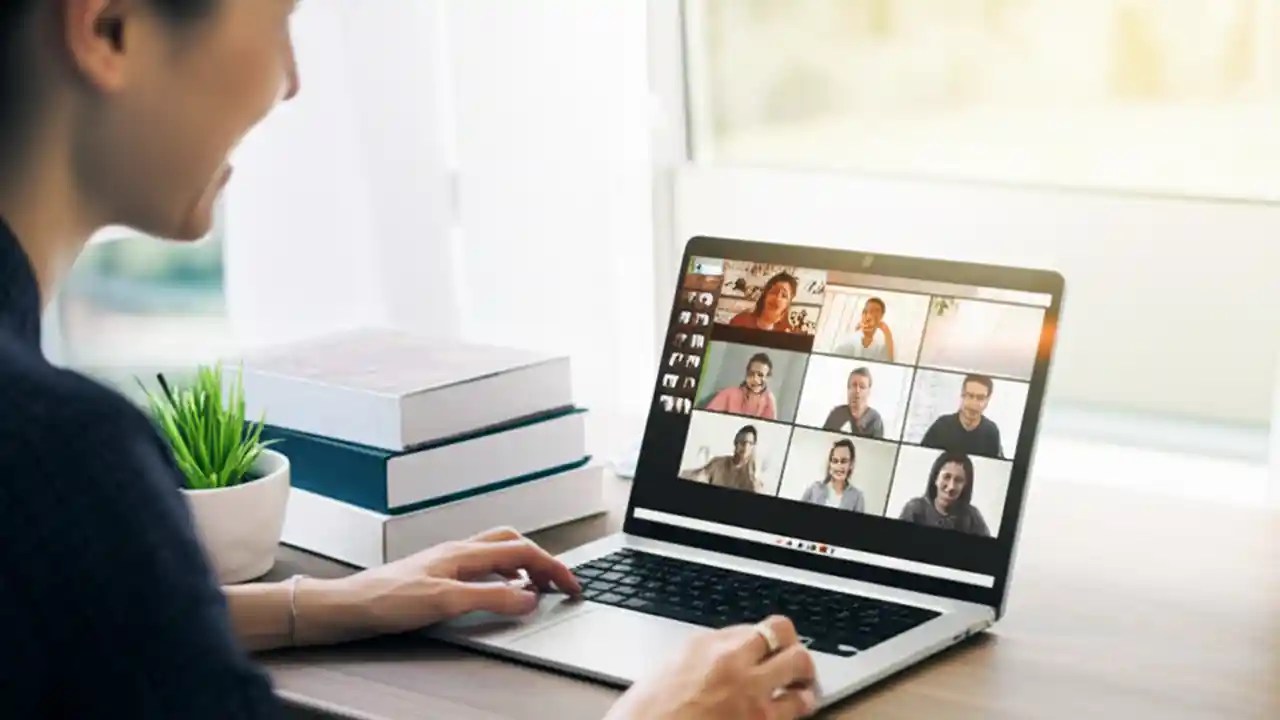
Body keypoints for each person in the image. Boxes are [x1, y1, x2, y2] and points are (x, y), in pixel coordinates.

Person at [0, 3, 816, 717]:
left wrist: (329, 603)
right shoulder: (63, 457)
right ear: (109, 28)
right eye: (280, 17)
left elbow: (68, 618)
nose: (290, 80)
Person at [898, 451, 991, 537]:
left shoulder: (972, 517)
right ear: (936, 478)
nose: (951, 487)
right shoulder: (915, 510)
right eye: (947, 477)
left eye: (958, 480)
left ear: (965, 485)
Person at [920, 374, 1004, 458]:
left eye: (980, 398)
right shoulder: (941, 426)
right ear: (962, 395)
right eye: (970, 396)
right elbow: (922, 456)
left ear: (988, 400)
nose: (973, 404)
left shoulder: (991, 432)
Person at [679, 426, 763, 493]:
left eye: (750, 443)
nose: (746, 447)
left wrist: (753, 477)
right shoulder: (718, 463)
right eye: (742, 442)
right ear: (735, 443)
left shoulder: (753, 471)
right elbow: (700, 476)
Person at [704, 352, 778, 420]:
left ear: (768, 378)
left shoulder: (769, 399)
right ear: (746, 373)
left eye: (760, 375)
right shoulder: (728, 394)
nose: (755, 379)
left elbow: (770, 427)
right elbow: (707, 417)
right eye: (751, 373)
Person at [798, 439, 865, 512]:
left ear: (851, 464)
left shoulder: (858, 497)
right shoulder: (814, 488)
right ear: (830, 464)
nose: (839, 466)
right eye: (835, 461)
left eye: (844, 461)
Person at [822, 368, 885, 438]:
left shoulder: (875, 420)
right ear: (848, 389)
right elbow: (823, 439)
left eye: (862, 387)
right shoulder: (837, 414)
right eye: (854, 385)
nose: (857, 390)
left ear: (868, 392)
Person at [729, 272, 798, 332]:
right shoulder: (740, 321)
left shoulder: (786, 334)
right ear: (765, 295)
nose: (777, 298)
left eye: (784, 295)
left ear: (787, 305)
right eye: (774, 291)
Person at [832, 297, 895, 362]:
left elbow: (889, 361)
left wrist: (886, 331)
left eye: (875, 312)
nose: (869, 316)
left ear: (881, 316)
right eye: (866, 312)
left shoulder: (881, 344)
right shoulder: (847, 340)